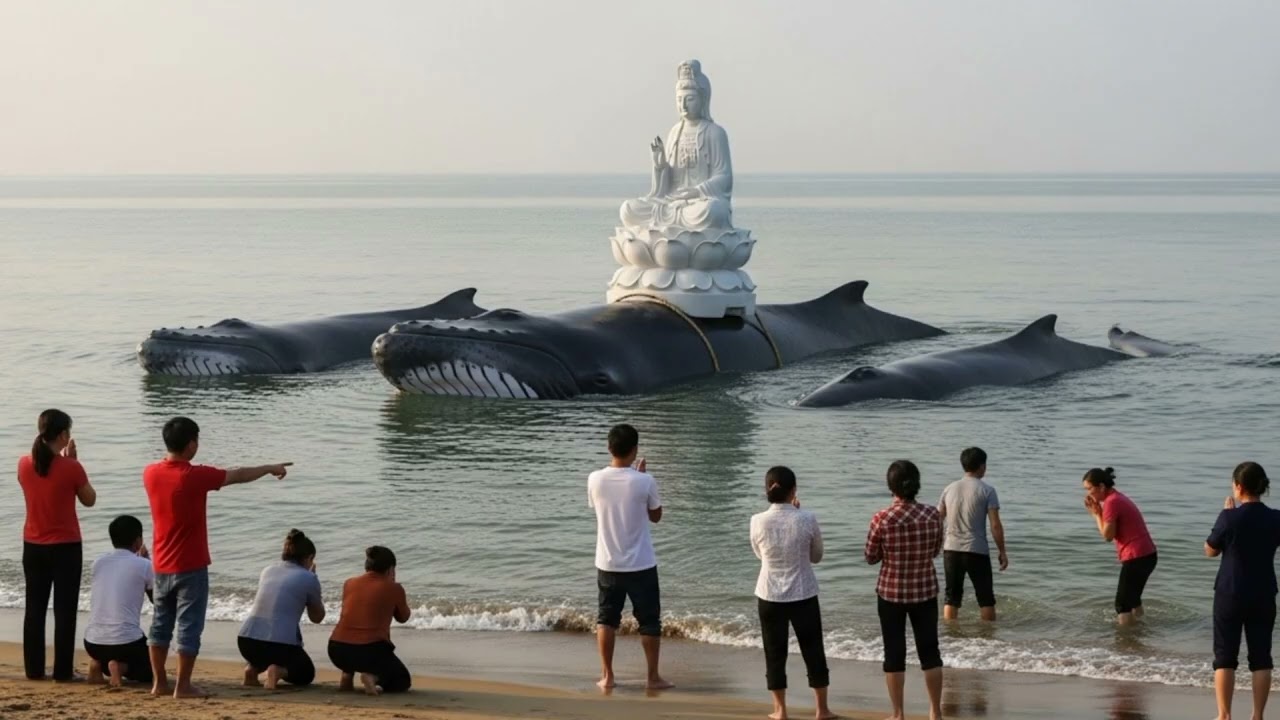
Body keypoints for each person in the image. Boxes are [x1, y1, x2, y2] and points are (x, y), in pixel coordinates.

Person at [143, 416, 291, 698]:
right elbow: (237, 475)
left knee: (160, 624)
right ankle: (182, 686)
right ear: (190, 445)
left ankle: (159, 683)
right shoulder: (194, 476)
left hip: (161, 564)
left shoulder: (150, 473)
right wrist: (271, 467)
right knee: (189, 627)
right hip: (191, 564)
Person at [587, 423, 672, 691]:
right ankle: (653, 677)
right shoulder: (645, 480)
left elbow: (599, 507)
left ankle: (608, 676)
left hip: (608, 562)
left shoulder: (595, 479)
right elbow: (656, 516)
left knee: (606, 619)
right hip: (641, 563)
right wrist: (641, 478)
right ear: (635, 450)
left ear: (608, 447)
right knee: (649, 621)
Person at [749, 466, 836, 720]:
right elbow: (817, 557)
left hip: (769, 593)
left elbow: (760, 555)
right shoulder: (806, 518)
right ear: (794, 490)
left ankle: (780, 710)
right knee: (813, 650)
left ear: (767, 489)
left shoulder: (757, 520)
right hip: (803, 593)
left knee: (774, 653)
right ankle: (821, 710)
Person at [17, 408, 96, 682]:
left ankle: (34, 670)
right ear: (63, 435)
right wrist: (72, 462)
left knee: (34, 610)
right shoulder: (71, 467)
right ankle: (62, 671)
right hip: (66, 547)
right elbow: (90, 499)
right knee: (65, 611)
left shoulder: (24, 463)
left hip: (33, 544)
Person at [865, 460, 944, 720]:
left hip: (891, 593)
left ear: (891, 486)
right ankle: (935, 712)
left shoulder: (881, 518)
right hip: (925, 591)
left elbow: (870, 556)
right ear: (916, 485)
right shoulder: (933, 514)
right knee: (930, 652)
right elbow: (935, 551)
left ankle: (898, 714)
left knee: (894, 652)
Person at [1205, 462, 1280, 720]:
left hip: (1230, 592)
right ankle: (1257, 715)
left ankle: (1224, 715)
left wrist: (1227, 514)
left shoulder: (1229, 516)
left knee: (1225, 656)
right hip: (1264, 591)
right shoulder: (1276, 517)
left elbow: (1210, 550)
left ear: (1238, 486)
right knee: (1261, 656)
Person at [238, 529, 325, 690]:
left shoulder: (268, 570)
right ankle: (277, 671)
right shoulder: (309, 578)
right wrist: (314, 578)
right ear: (309, 558)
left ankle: (252, 669)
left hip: (246, 642)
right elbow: (317, 617)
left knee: (265, 652)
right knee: (306, 673)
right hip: (278, 646)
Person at [328, 545, 412, 695]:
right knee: (402, 680)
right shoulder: (394, 588)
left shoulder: (349, 583)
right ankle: (373, 676)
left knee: (355, 629)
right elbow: (403, 618)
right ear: (390, 569)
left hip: (337, 650)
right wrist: (393, 586)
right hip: (369, 651)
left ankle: (347, 675)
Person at [937, 447, 1007, 622]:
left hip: (951, 549)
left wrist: (936, 545)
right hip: (977, 550)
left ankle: (952, 637)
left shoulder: (949, 488)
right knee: (985, 599)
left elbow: (938, 520)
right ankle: (988, 641)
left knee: (951, 597)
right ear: (982, 466)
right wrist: (1002, 551)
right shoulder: (987, 490)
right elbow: (995, 525)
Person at [1081, 467, 1158, 625]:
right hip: (1148, 554)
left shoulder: (1112, 502)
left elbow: (1107, 536)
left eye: (1089, 489)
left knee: (1122, 605)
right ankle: (1140, 632)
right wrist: (1099, 512)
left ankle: (1126, 643)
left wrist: (1096, 514)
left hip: (1136, 556)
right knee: (1134, 600)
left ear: (1101, 486)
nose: (1088, 494)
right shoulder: (1117, 497)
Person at [84, 515, 154, 687]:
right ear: (138, 541)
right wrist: (147, 561)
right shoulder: (144, 565)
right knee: (149, 671)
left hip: (92, 643)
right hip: (127, 642)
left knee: (109, 650)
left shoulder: (98, 563)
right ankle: (119, 668)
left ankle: (97, 664)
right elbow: (156, 600)